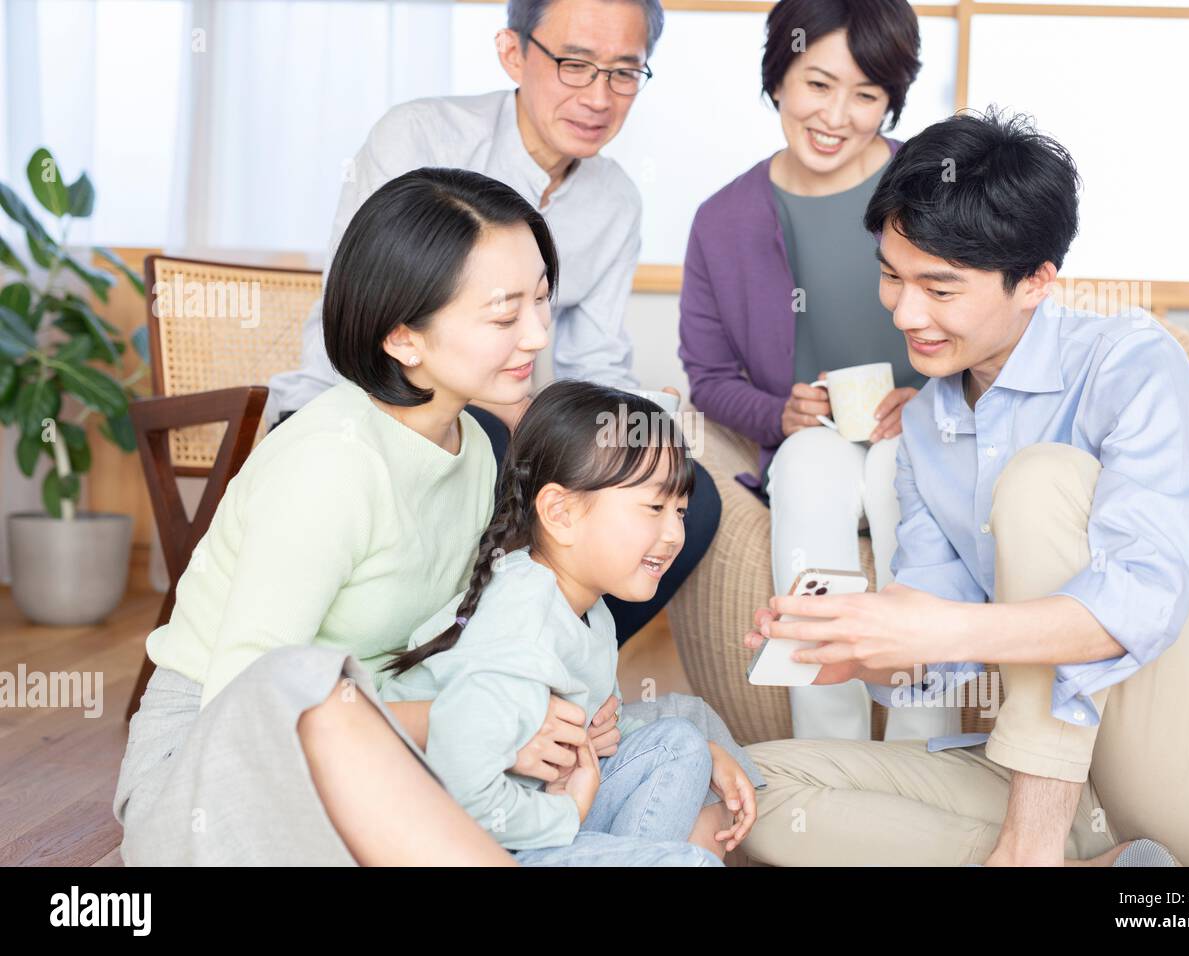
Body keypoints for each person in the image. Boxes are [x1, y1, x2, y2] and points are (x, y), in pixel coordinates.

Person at [740, 110, 1189, 867]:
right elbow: (943, 651)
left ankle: (1033, 849)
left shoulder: (1130, 362)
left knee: (1040, 482)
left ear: (1037, 280)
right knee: (754, 789)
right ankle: (1099, 867)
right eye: (892, 276)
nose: (907, 314)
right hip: (1059, 784)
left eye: (940, 288)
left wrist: (939, 631)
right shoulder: (930, 424)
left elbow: (1141, 606)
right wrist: (858, 648)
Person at [112, 167, 616, 865]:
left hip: (390, 734)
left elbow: (459, 641)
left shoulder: (472, 449)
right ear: (404, 339)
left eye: (541, 301)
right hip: (217, 762)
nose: (535, 335)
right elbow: (249, 701)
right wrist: (470, 726)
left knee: (654, 763)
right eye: (504, 315)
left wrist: (551, 707)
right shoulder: (330, 461)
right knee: (305, 681)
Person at [268, 0, 721, 646]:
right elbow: (373, 321)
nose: (600, 96)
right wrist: (512, 406)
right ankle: (481, 680)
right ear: (513, 51)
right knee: (501, 447)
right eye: (575, 64)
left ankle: (546, 670)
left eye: (625, 73)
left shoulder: (615, 198)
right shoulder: (422, 138)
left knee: (681, 490)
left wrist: (644, 425)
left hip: (500, 422)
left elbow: (595, 367)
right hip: (370, 407)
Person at [678, 0, 958, 741]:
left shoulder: (934, 190)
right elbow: (706, 377)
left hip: (925, 433)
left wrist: (928, 396)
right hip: (814, 440)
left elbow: (995, 326)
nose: (837, 115)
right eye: (817, 84)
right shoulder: (723, 219)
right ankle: (827, 750)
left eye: (867, 95)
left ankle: (923, 749)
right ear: (779, 80)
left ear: (890, 101)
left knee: (902, 468)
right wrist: (781, 413)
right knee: (805, 469)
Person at [381, 380, 764, 865]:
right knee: (691, 861)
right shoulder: (523, 620)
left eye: (680, 511)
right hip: (462, 841)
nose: (674, 534)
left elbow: (592, 725)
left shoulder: (588, 611)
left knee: (682, 743)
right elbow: (467, 791)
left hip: (531, 808)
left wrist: (607, 737)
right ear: (561, 513)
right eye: (653, 508)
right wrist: (566, 813)